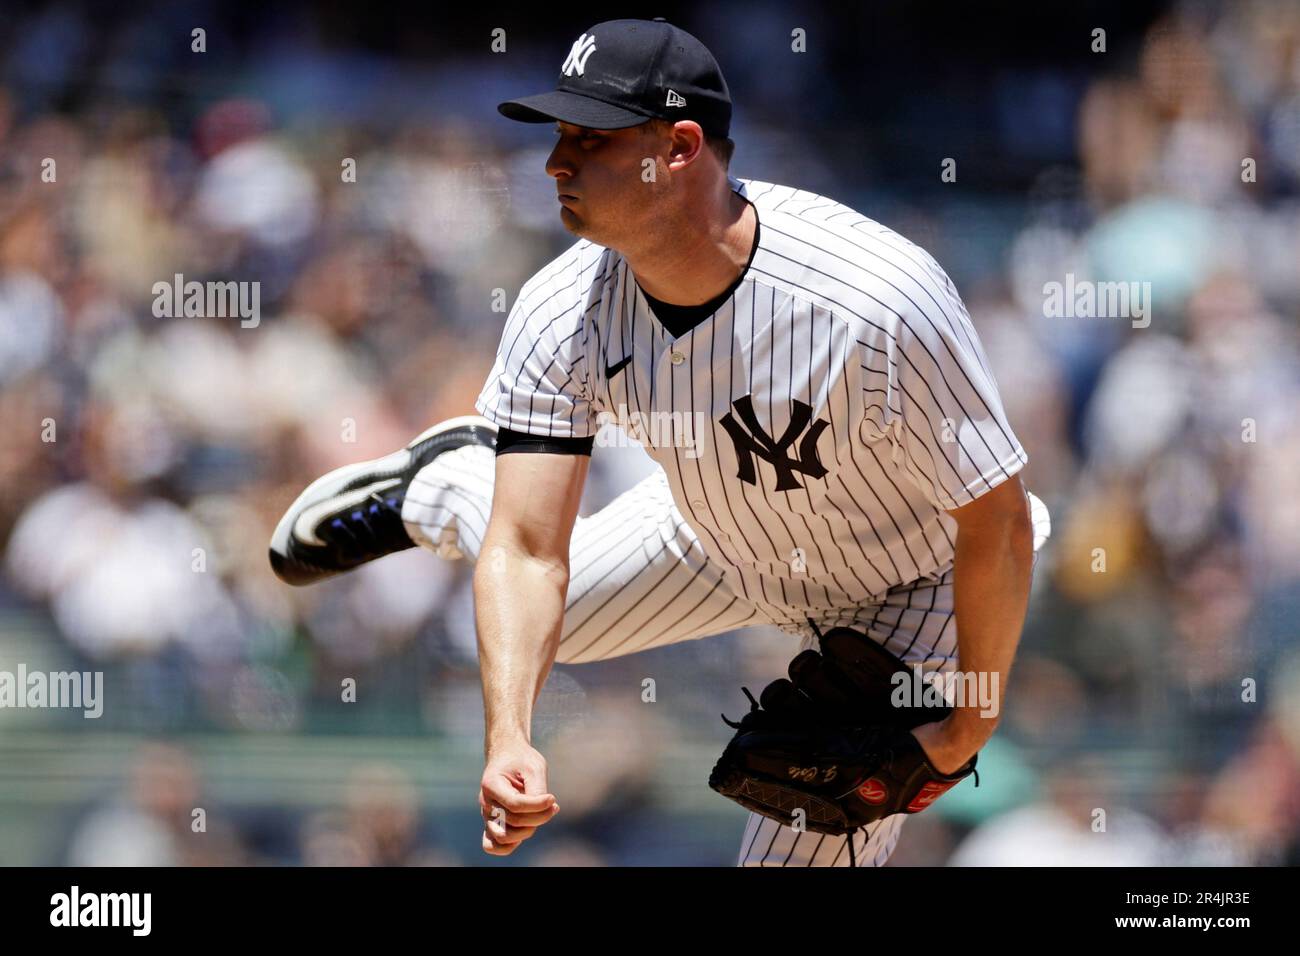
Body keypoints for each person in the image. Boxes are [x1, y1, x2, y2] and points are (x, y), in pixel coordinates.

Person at [269, 17, 1051, 867]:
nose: (554, 163)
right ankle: (445, 482)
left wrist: (969, 720)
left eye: (589, 138)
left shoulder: (875, 301)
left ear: (678, 147)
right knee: (530, 632)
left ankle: (456, 476)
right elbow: (529, 550)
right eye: (558, 135)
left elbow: (997, 524)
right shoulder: (560, 308)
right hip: (714, 528)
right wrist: (510, 740)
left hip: (911, 581)